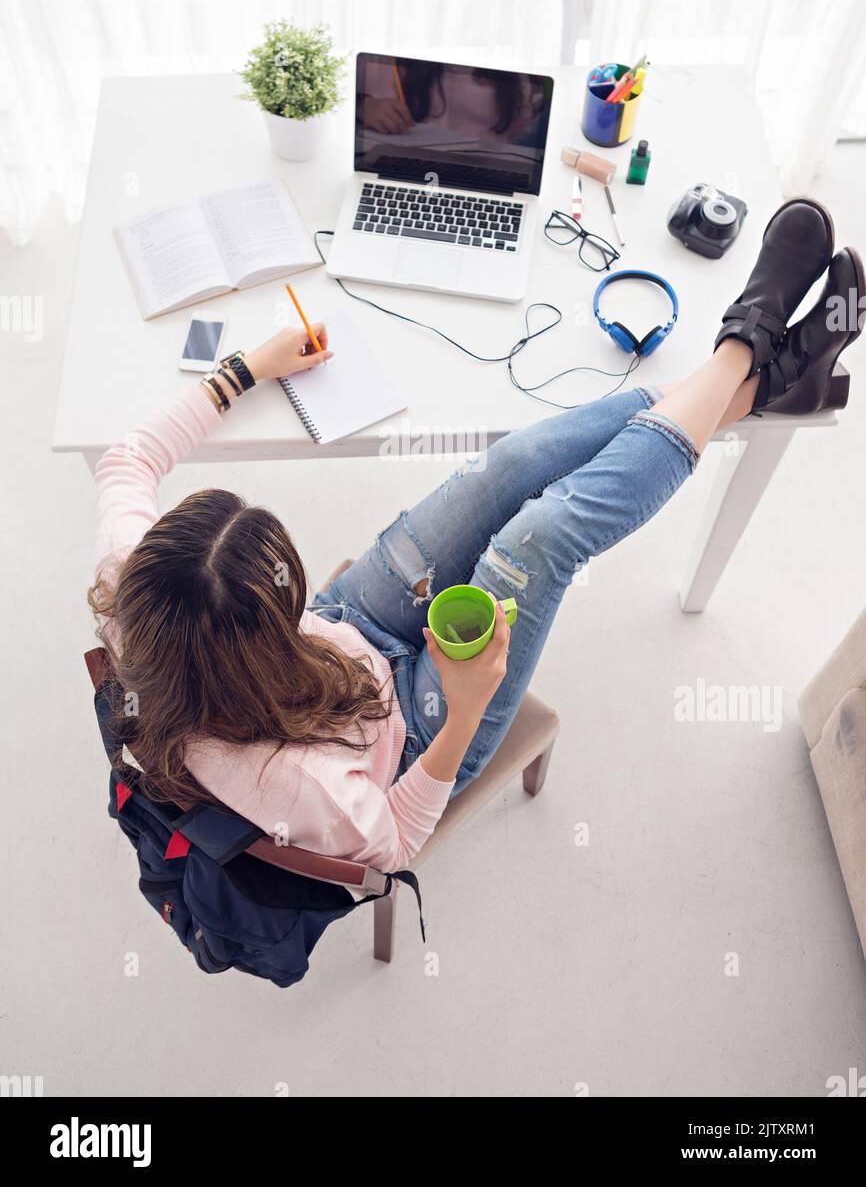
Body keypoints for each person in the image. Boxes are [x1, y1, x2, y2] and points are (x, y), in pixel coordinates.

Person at [89, 201, 862, 873]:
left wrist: (250, 367)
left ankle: (757, 366)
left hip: (350, 631)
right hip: (417, 727)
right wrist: (462, 713)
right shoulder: (294, 788)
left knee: (510, 463)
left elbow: (127, 461)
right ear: (260, 637)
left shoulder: (138, 588)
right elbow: (391, 845)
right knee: (541, 536)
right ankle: (748, 354)